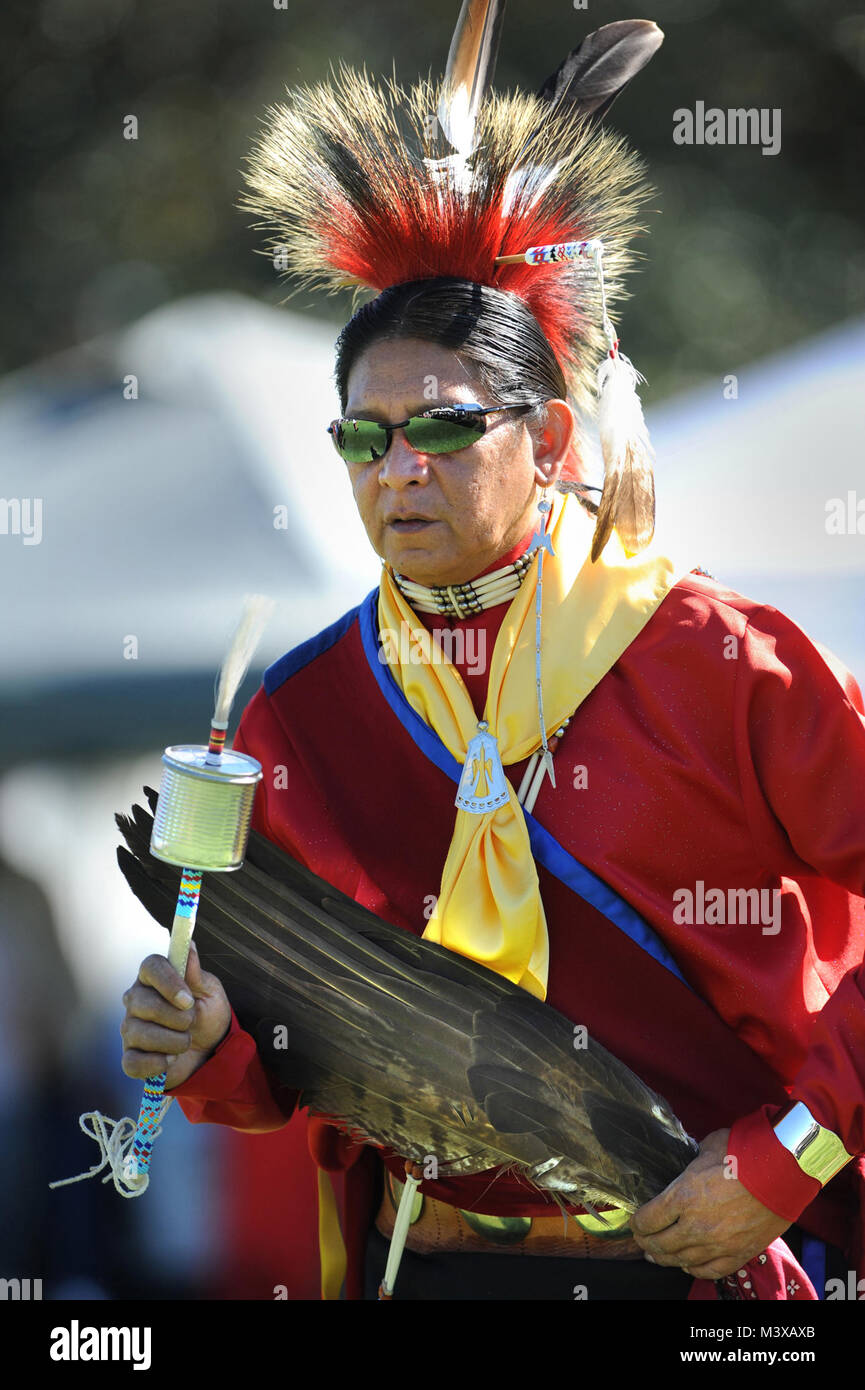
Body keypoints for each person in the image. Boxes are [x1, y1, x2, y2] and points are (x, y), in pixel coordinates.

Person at [119, 12, 865, 1301]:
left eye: (446, 429)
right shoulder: (299, 717)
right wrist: (205, 1049)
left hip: (717, 1258)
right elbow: (287, 1068)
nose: (399, 471)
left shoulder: (715, 663)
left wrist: (791, 1153)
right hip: (442, 1273)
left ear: (556, 436)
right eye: (364, 441)